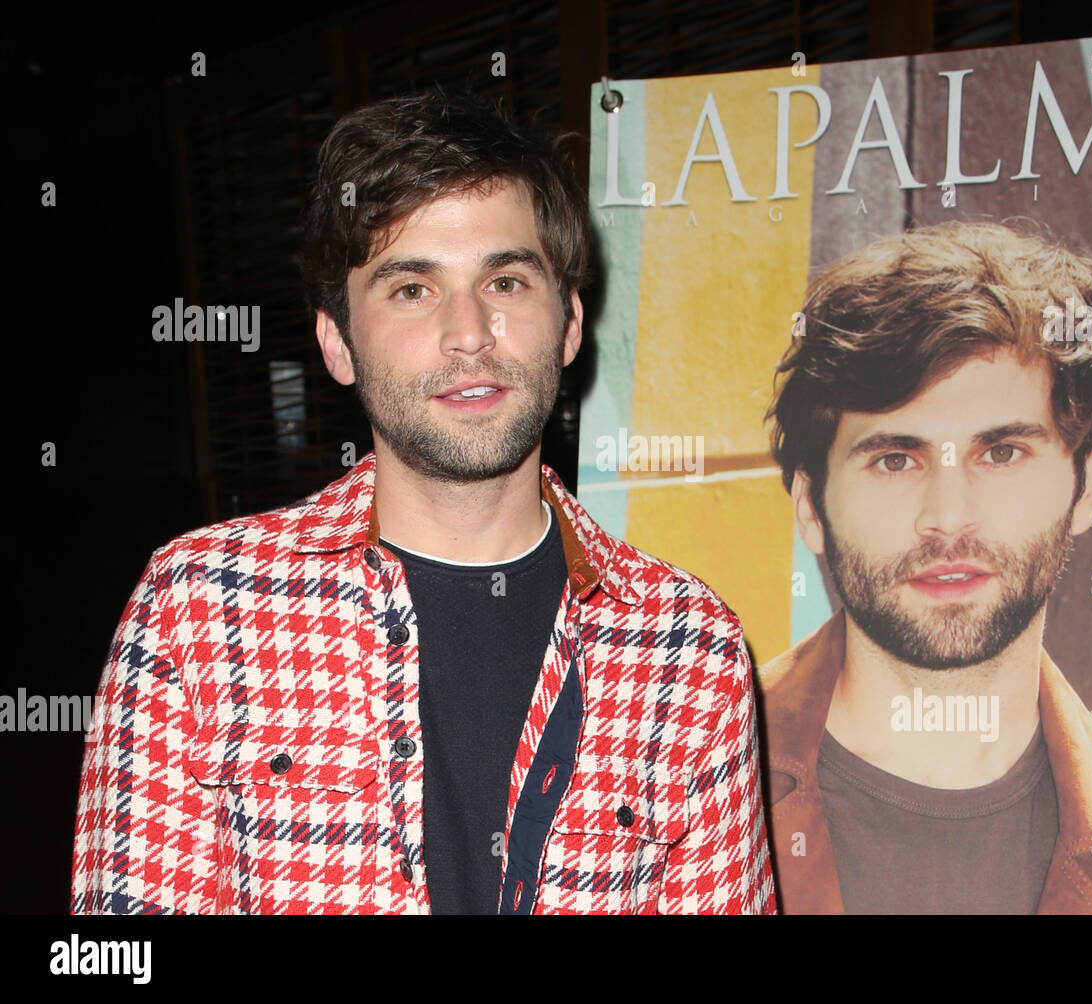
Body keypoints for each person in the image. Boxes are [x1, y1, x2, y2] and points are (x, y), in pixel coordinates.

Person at [71, 88, 775, 915]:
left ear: (571, 325)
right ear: (338, 343)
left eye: (506, 280)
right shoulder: (198, 609)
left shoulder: (689, 647)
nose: (469, 331)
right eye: (412, 289)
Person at [760, 222, 1092, 914]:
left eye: (1002, 452)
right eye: (896, 459)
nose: (949, 518)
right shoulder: (663, 800)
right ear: (811, 505)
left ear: (1089, 485)